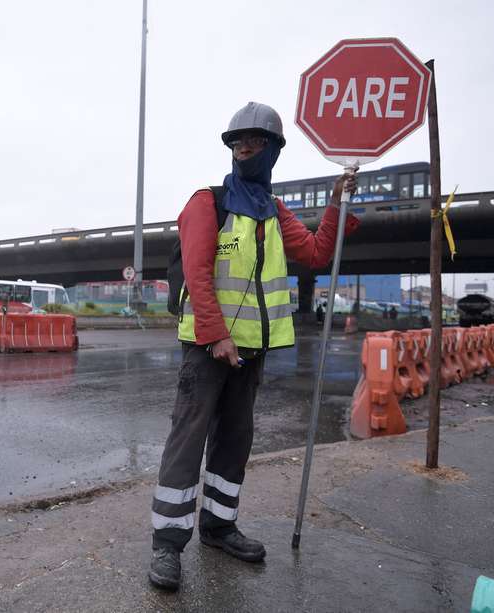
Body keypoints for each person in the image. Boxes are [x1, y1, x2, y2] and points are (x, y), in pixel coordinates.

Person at [148, 102, 360, 591]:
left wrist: (335, 204)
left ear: (273, 151)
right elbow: (199, 275)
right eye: (236, 143)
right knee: (187, 440)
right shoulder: (209, 202)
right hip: (207, 349)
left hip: (251, 351)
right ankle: (166, 544)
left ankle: (219, 527)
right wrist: (216, 335)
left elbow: (315, 253)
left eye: (254, 142)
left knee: (235, 440)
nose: (243, 150)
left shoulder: (272, 209)